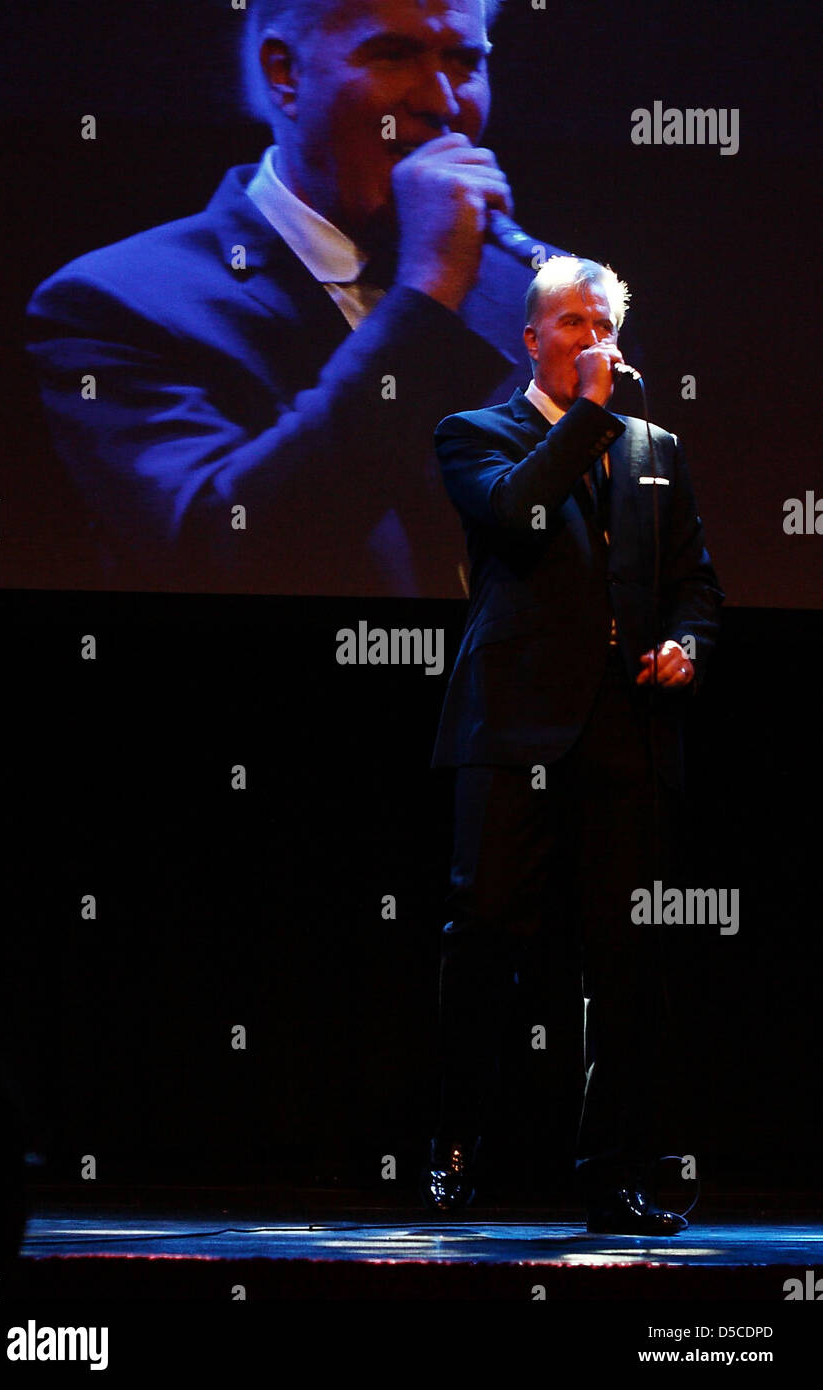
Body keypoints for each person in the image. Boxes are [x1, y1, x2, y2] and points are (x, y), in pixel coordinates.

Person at [25, 0, 563, 597]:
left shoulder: (541, 290)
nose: (441, 102)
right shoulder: (114, 305)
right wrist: (428, 295)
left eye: (465, 61)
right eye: (393, 55)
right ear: (286, 75)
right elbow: (223, 555)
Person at [422, 254, 724, 1234]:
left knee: (627, 959)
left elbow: (694, 584)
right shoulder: (474, 433)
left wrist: (685, 644)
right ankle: (456, 1147)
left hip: (624, 736)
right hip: (513, 728)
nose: (593, 338)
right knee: (482, 939)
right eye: (572, 322)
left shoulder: (655, 448)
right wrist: (588, 415)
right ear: (529, 339)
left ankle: (613, 1175)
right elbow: (514, 514)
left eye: (606, 323)